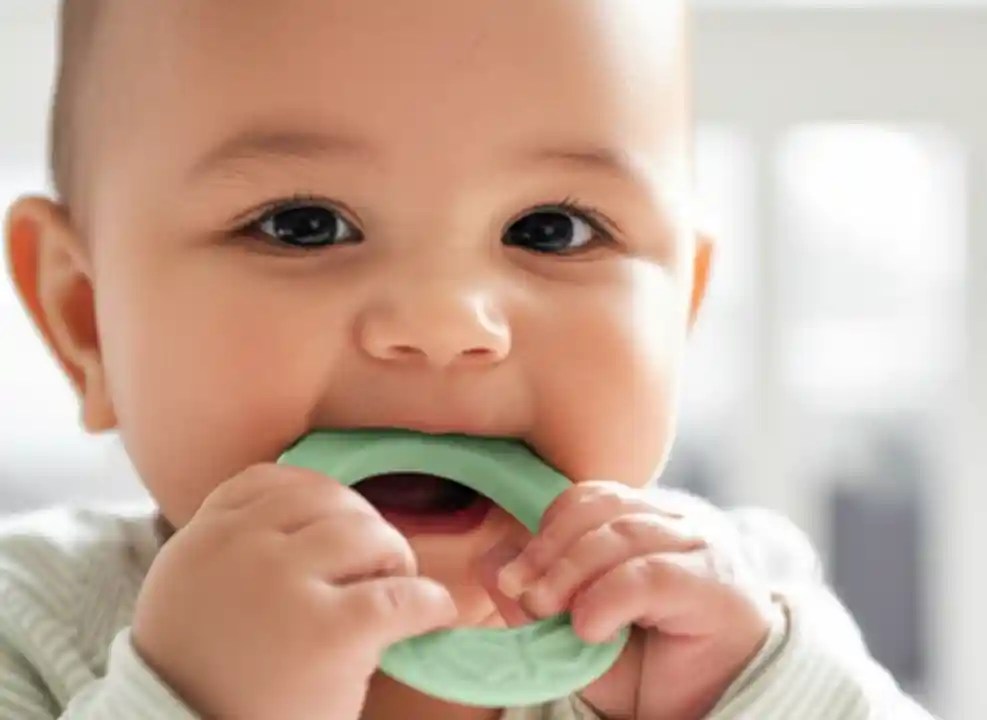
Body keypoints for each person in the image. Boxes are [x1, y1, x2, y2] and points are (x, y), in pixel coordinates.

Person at [0, 1, 932, 718]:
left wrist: (749, 695)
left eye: (551, 229)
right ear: (88, 319)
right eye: (305, 225)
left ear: (677, 314)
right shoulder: (26, 626)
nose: (448, 324)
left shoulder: (723, 619)